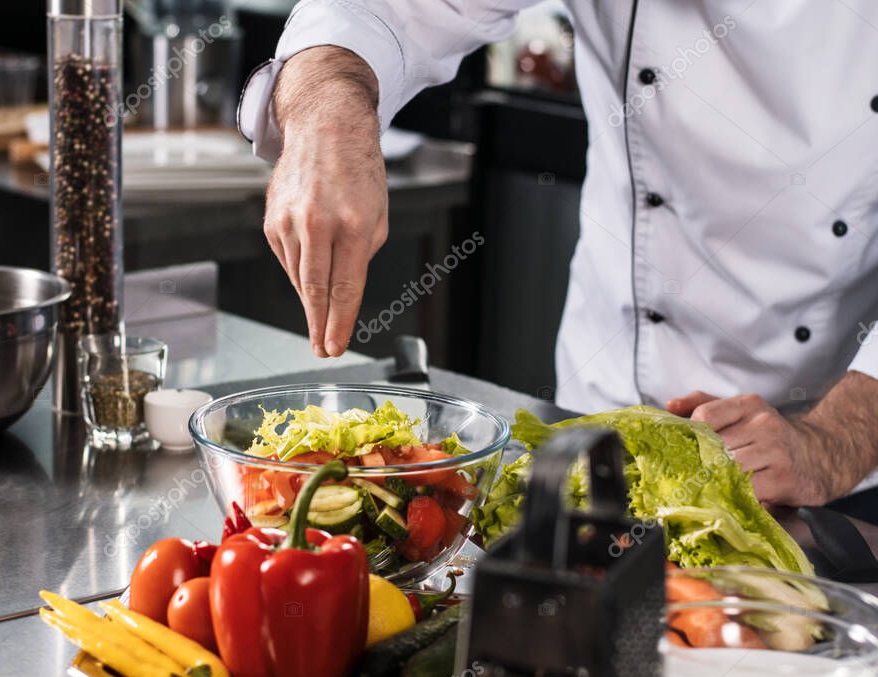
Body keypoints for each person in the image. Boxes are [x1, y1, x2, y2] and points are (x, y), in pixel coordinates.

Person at [236, 1, 878, 508]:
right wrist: (329, 112)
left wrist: (829, 443)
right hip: (598, 412)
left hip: (832, 459)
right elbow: (394, 10)